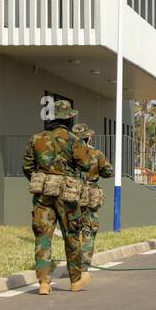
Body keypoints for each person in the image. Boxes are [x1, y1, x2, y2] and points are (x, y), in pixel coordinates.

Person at [23, 99, 94, 294]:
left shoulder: (36, 138)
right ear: (69, 119)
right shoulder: (74, 140)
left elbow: (27, 167)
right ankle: (76, 280)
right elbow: (86, 164)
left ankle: (44, 283)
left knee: (43, 238)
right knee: (71, 235)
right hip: (67, 195)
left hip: (43, 194)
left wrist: (43, 179)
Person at [72, 123, 114, 273]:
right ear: (88, 137)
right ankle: (83, 265)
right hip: (90, 193)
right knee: (89, 228)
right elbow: (108, 172)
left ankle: (73, 262)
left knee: (71, 228)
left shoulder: (67, 153)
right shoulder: (96, 153)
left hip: (70, 192)